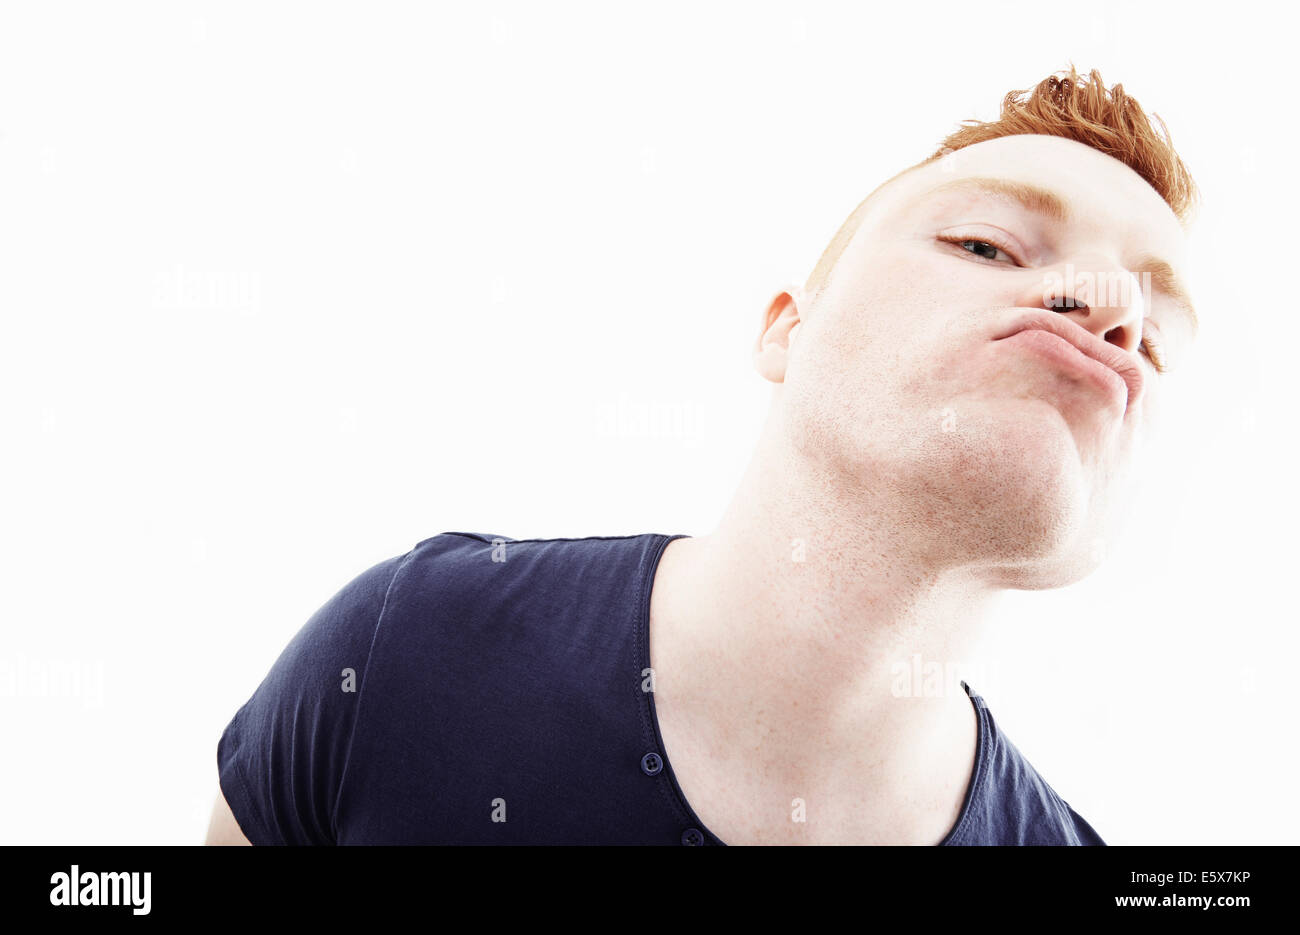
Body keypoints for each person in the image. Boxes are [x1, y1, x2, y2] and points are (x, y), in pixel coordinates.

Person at [206, 64, 1199, 846]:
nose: (1108, 313)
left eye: (1150, 335)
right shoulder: (411, 645)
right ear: (784, 330)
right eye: (987, 246)